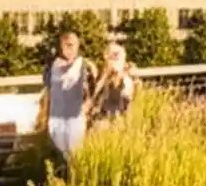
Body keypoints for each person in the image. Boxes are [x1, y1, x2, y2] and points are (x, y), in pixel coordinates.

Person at [42, 32, 98, 161]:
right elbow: (48, 90)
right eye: (63, 45)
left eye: (70, 45)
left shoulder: (86, 67)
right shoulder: (51, 67)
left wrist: (87, 108)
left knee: (76, 153)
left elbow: (93, 91)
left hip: (77, 116)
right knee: (60, 153)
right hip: (57, 116)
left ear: (77, 46)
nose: (66, 49)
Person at [91, 42, 137, 126]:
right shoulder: (99, 78)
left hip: (118, 121)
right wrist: (105, 75)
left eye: (116, 58)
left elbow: (126, 103)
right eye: (111, 58)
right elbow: (92, 98)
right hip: (101, 121)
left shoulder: (127, 81)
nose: (114, 62)